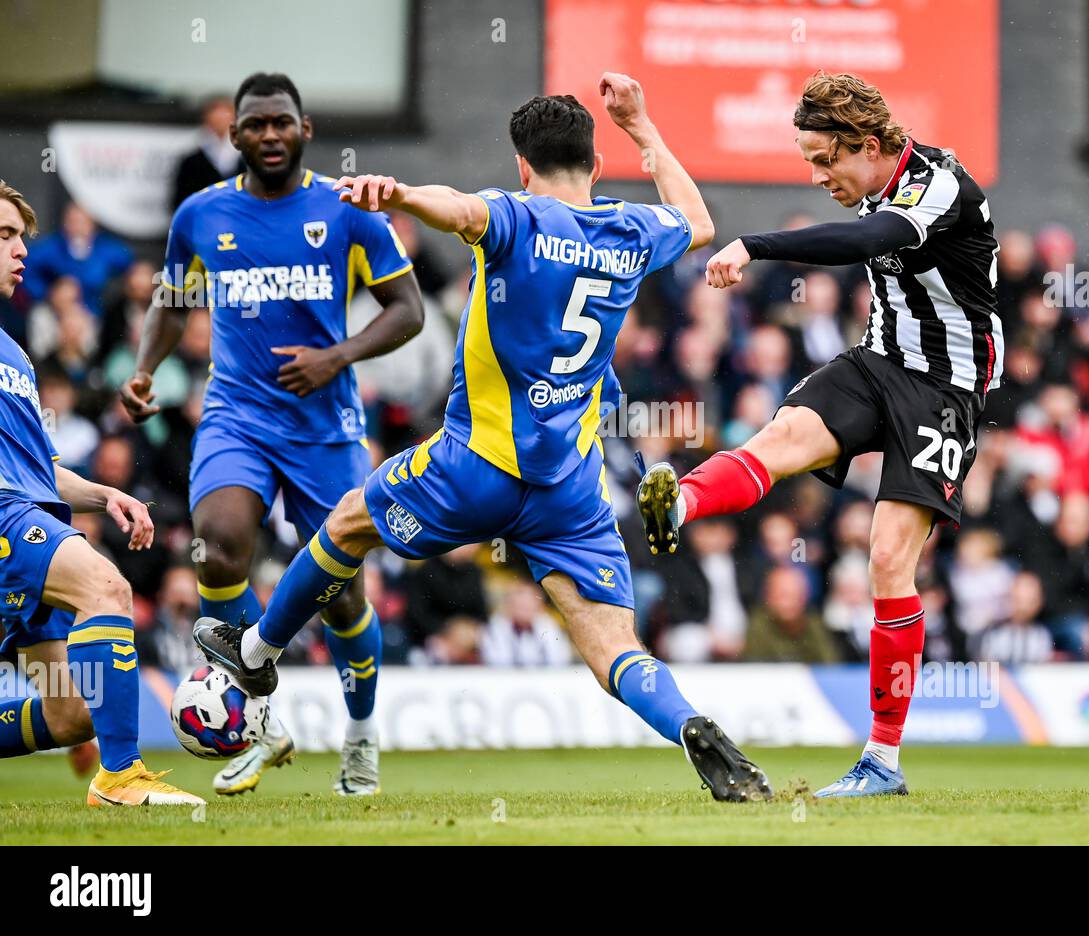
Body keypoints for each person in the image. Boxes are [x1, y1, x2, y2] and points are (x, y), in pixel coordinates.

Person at [192, 74, 772, 803]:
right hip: (570, 490)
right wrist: (642, 125)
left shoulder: (517, 216)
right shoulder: (633, 230)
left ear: (521, 168)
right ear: (594, 165)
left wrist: (396, 194)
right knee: (612, 648)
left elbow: (458, 208)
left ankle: (254, 653)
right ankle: (688, 722)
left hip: (475, 466)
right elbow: (699, 220)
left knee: (345, 525)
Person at [636, 70, 1001, 797]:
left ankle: (882, 764)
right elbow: (863, 227)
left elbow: (871, 237)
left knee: (888, 565)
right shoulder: (869, 177)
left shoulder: (941, 185)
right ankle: (679, 506)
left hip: (946, 389)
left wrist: (756, 244)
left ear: (868, 144)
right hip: (877, 363)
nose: (815, 175)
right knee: (778, 438)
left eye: (824, 159)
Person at [120, 73, 424, 797]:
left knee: (343, 598)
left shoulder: (346, 211)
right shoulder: (200, 213)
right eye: (255, 124)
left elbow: (407, 309)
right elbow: (172, 300)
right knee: (219, 545)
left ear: (305, 129)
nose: (269, 135)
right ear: (235, 136)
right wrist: (143, 370)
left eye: (281, 122)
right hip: (237, 415)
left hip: (326, 428)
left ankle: (360, 736)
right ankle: (258, 721)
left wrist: (338, 356)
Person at [0, 180, 202, 806]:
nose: (21, 253)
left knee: (73, 714)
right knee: (107, 587)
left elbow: (39, 469)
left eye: (22, 239)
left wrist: (106, 495)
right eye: (5, 236)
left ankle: (108, 758)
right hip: (9, 522)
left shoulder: (14, 356)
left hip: (27, 512)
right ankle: (120, 778)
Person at [171, 96, 244, 210]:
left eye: (225, 115)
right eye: (216, 116)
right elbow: (182, 201)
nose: (221, 120)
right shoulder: (192, 160)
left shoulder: (248, 157)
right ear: (206, 119)